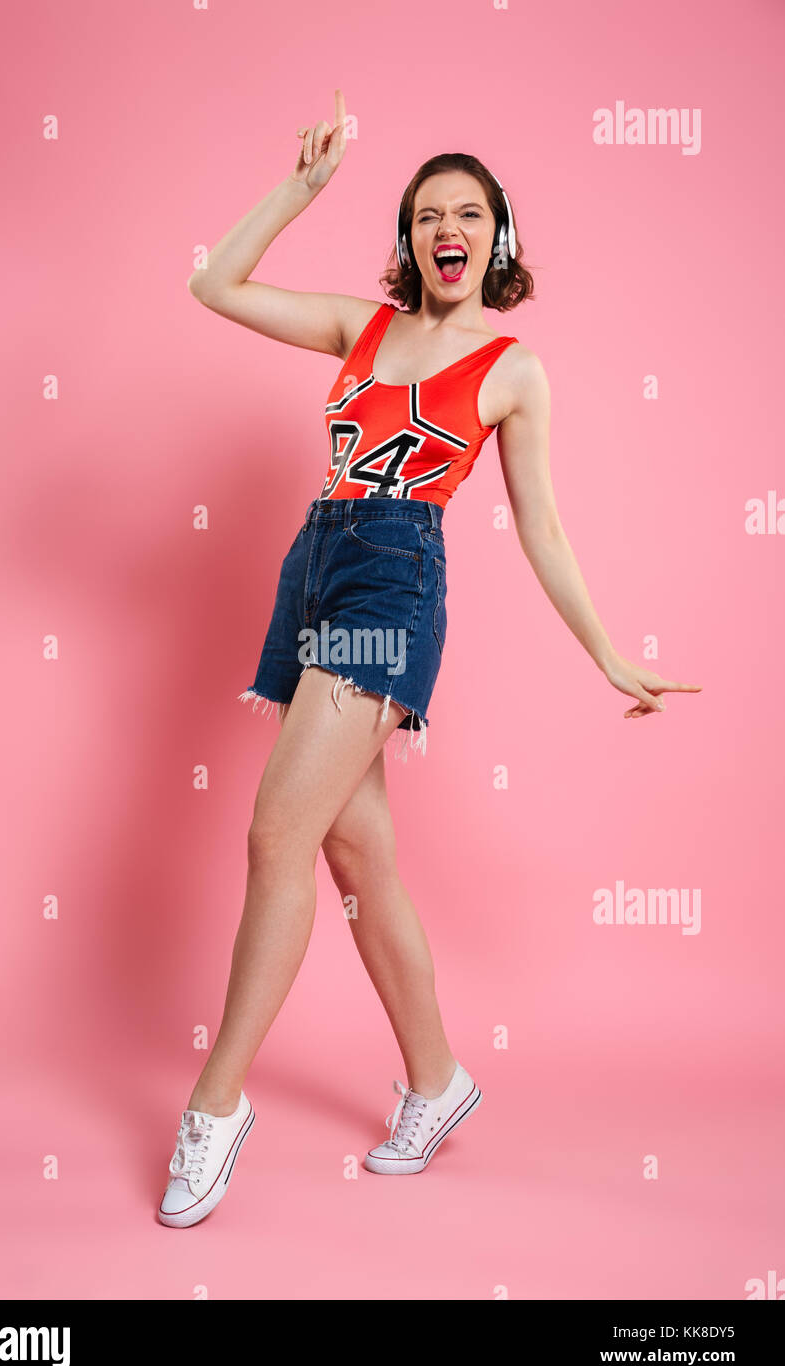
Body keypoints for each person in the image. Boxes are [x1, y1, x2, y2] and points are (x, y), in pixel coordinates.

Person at [157, 90, 702, 1227]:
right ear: (406, 240)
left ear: (492, 236)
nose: (441, 229)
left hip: (390, 585)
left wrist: (606, 652)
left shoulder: (511, 368)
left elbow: (541, 528)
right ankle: (438, 1079)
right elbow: (214, 285)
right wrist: (300, 191)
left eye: (465, 212)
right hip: (310, 565)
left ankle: (215, 1105)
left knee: (275, 832)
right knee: (360, 860)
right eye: (421, 216)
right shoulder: (359, 326)